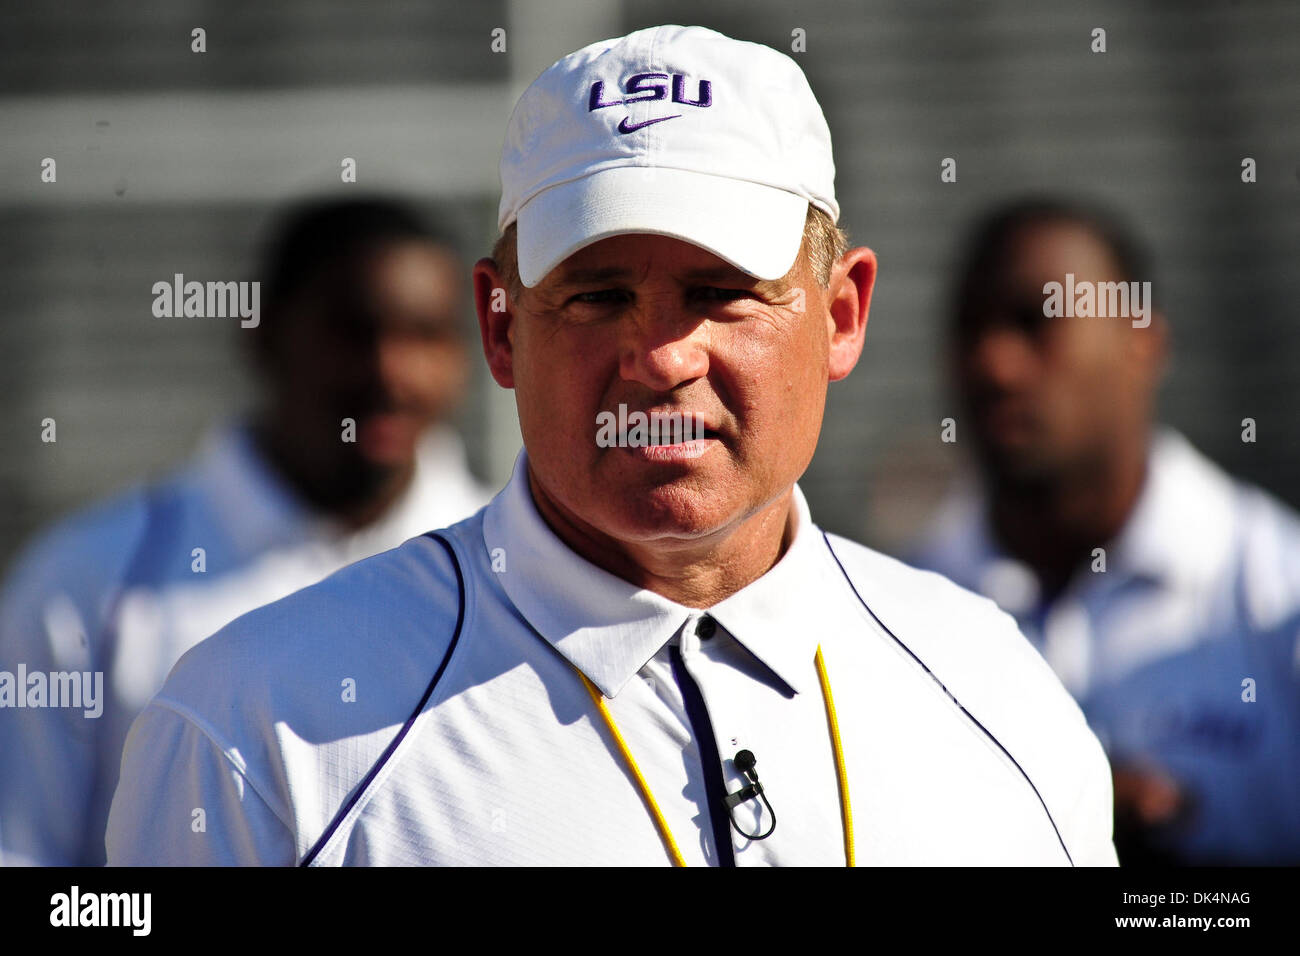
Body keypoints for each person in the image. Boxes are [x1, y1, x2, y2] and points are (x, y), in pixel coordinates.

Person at [106, 26, 1117, 867]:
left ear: (841, 314)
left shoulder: (994, 687)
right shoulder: (256, 725)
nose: (660, 354)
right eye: (598, 295)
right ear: (502, 327)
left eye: (720, 292)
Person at [0, 198, 492, 866]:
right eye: (352, 332)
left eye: (427, 334)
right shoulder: (87, 582)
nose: (391, 373)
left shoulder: (518, 573)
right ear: (262, 335)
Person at [910, 197, 1300, 863]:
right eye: (971, 329)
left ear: (1142, 339)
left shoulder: (1276, 596)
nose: (994, 364)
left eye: (1036, 322)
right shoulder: (901, 610)